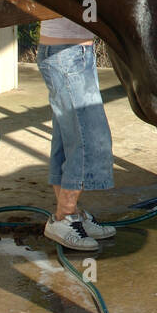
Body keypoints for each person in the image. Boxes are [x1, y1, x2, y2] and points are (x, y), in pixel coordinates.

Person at [36, 15, 117, 252]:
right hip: (65, 55)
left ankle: (70, 214)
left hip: (74, 53)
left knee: (67, 138)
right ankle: (64, 217)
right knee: (90, 139)